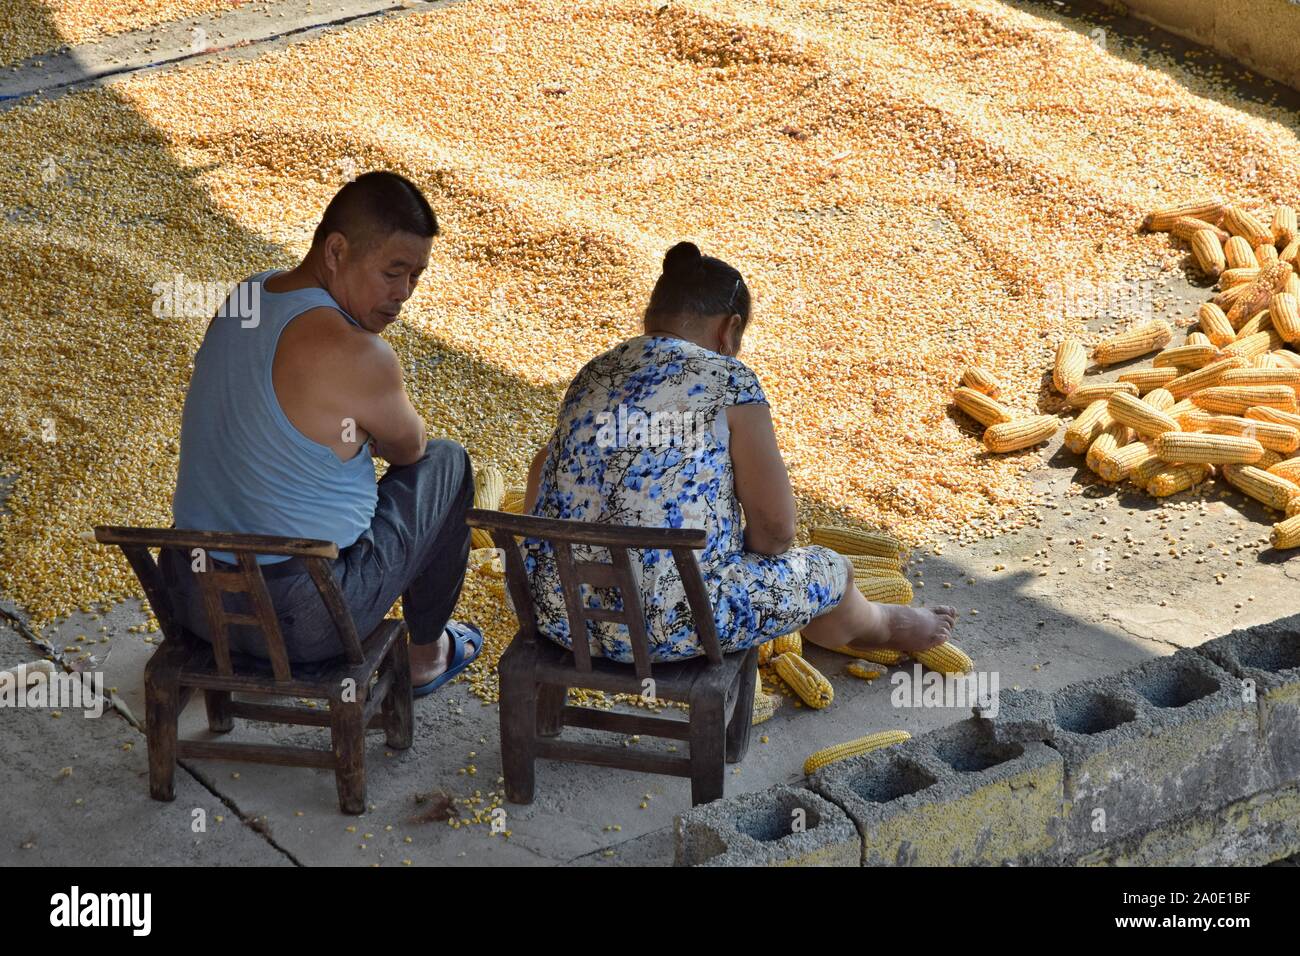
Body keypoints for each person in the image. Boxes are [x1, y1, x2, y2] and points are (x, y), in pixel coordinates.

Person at [519, 241, 955, 663]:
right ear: (729, 329)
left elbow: (546, 473)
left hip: (556, 614)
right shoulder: (729, 380)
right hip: (670, 628)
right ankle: (882, 624)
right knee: (829, 570)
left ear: (650, 315)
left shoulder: (593, 373)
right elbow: (776, 529)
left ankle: (828, 623)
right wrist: (745, 565)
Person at [160, 170, 481, 695]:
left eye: (416, 277)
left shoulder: (249, 294)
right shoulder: (358, 351)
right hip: (301, 621)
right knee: (446, 462)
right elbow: (409, 450)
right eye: (392, 272)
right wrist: (364, 434)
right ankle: (426, 655)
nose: (403, 295)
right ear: (336, 251)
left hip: (194, 601)